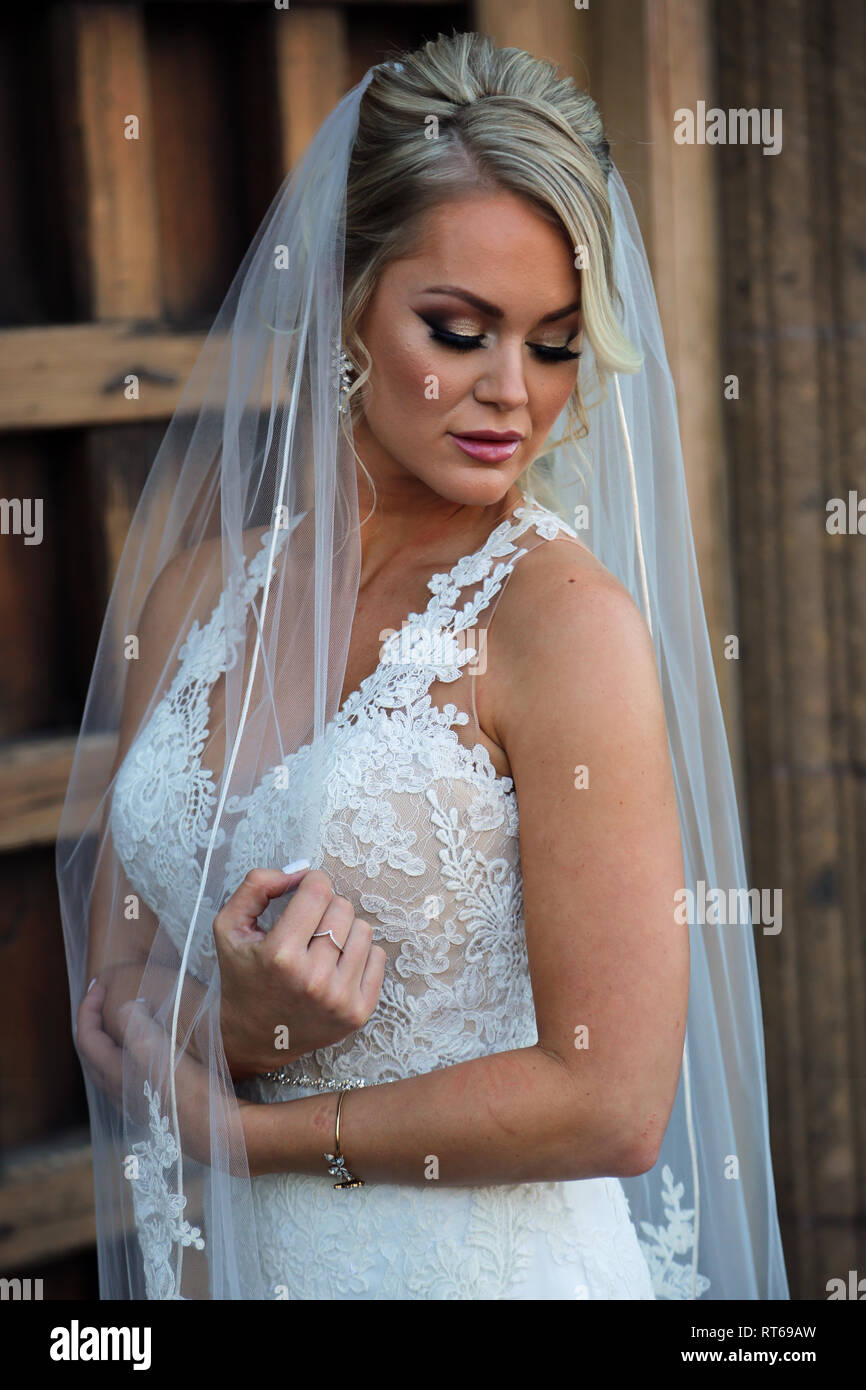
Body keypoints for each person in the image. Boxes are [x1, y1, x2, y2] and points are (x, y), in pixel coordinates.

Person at [58, 30, 789, 1300]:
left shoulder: (561, 627)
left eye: (554, 343)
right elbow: (117, 981)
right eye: (456, 329)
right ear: (345, 295)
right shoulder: (194, 595)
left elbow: (611, 1099)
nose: (511, 391)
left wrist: (257, 1131)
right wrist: (240, 1028)